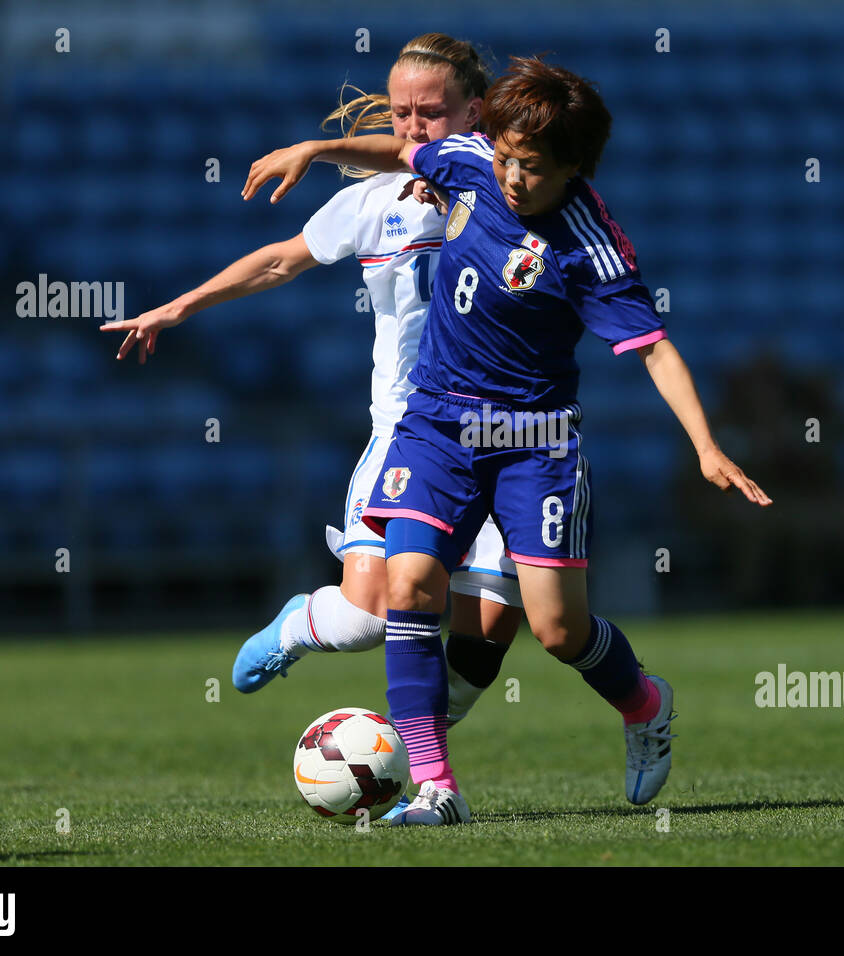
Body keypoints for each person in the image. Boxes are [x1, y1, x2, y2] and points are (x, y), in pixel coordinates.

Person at [243, 57, 772, 825]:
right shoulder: (470, 163)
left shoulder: (591, 248)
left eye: (532, 168)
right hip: (437, 425)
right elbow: (403, 151)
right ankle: (436, 790)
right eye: (506, 158)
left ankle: (645, 705)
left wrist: (706, 444)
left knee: (558, 629)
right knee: (409, 586)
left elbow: (654, 349)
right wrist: (312, 151)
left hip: (535, 442)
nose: (513, 178)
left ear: (574, 168)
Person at [101, 35, 525, 740]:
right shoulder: (373, 204)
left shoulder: (510, 192)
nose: (413, 128)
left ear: (474, 112)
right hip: (409, 432)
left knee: (486, 635)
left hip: (500, 432)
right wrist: (178, 306)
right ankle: (301, 625)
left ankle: (415, 756)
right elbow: (278, 263)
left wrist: (320, 148)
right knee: (370, 617)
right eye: (400, 113)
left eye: (432, 112)